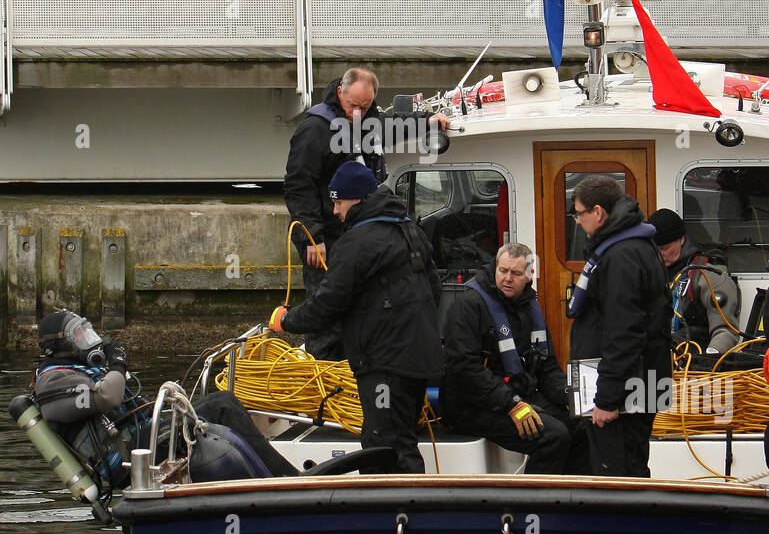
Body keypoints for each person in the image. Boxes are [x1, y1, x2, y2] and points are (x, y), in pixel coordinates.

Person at [270, 161, 444, 473]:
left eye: (338, 203)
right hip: (419, 361)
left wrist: (286, 320)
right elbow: (434, 290)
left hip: (384, 366)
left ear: (357, 201)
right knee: (401, 436)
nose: (335, 211)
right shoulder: (410, 230)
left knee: (385, 444)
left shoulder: (357, 241)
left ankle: (398, 515)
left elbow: (327, 303)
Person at [283, 66, 449, 359]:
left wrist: (427, 121)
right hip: (324, 234)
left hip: (357, 232)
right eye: (353, 106)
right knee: (327, 304)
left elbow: (392, 124)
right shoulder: (315, 130)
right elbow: (298, 186)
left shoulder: (367, 118)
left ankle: (357, 361)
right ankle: (327, 369)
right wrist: (312, 236)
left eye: (365, 106)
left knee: (360, 301)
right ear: (339, 93)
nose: (358, 113)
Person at [441, 243, 589, 473]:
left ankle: (568, 498)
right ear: (495, 267)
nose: (507, 278)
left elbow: (546, 366)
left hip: (518, 396)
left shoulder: (528, 308)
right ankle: (532, 505)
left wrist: (570, 398)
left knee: (581, 425)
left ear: (529, 276)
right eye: (503, 271)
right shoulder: (469, 306)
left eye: (516, 274)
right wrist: (511, 403)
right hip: (472, 405)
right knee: (552, 437)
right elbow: (464, 369)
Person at [568, 177, 672, 478]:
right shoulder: (637, 243)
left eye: (579, 214)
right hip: (639, 381)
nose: (577, 222)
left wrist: (607, 399)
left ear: (598, 212)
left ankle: (625, 524)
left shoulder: (620, 256)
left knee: (618, 473)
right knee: (632, 463)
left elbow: (624, 333)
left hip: (624, 394)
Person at [32, 310, 142, 492]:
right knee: (207, 410)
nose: (86, 339)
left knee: (202, 412)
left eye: (86, 331)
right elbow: (109, 397)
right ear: (58, 344)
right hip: (125, 458)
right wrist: (118, 364)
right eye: (78, 334)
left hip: (137, 440)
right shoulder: (53, 381)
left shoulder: (81, 369)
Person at [648, 208, 741, 360]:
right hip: (657, 362)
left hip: (695, 365)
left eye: (665, 248)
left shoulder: (708, 277)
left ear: (681, 239)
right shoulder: (648, 275)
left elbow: (725, 332)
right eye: (655, 249)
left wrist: (707, 363)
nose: (660, 254)